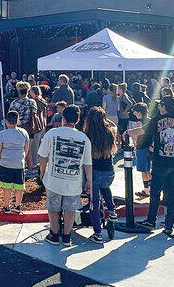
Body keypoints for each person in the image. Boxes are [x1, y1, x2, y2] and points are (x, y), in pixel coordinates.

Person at [137, 96, 174, 234]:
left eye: (160, 105)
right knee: (173, 194)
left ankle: (151, 220)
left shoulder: (157, 120)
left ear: (163, 106)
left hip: (160, 162)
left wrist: (128, 132)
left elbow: (142, 131)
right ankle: (169, 224)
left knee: (155, 192)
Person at [38, 105, 91, 246]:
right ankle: (67, 236)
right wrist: (89, 181)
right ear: (78, 120)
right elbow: (88, 164)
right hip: (74, 181)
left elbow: (43, 156)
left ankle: (54, 234)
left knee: (53, 207)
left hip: (54, 179)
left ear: (63, 118)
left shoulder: (51, 134)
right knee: (70, 208)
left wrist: (42, 172)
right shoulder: (84, 138)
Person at [82, 106, 118, 243]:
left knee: (94, 204)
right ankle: (112, 211)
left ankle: (97, 234)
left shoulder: (88, 135)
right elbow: (114, 125)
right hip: (109, 171)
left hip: (94, 172)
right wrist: (104, 119)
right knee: (106, 188)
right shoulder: (110, 132)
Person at [0, 110, 29, 214]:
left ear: (6, 121)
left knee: (7, 186)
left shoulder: (2, 134)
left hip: (6, 163)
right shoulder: (24, 132)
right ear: (18, 121)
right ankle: (18, 206)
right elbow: (26, 148)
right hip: (19, 163)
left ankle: (6, 206)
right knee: (19, 186)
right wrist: (23, 158)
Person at [124, 102, 151, 198]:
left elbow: (136, 136)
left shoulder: (139, 123)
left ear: (139, 112)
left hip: (141, 147)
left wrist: (134, 145)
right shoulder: (150, 120)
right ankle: (150, 188)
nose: (134, 114)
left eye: (135, 112)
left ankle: (146, 190)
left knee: (143, 171)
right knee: (148, 170)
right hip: (149, 148)